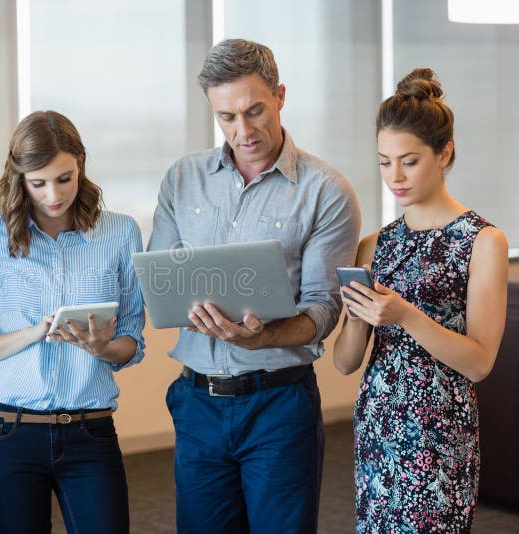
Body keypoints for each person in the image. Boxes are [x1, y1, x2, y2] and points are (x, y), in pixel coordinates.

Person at [148, 38, 361, 533]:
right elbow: (161, 280)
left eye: (254, 111)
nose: (242, 131)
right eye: (226, 117)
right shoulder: (182, 178)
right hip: (197, 402)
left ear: (281, 95)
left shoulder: (326, 191)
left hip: (279, 407)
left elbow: (323, 310)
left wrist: (263, 336)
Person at [0, 110, 145, 534]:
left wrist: (103, 349)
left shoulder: (121, 233)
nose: (54, 194)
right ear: (19, 178)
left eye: (65, 177)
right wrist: (34, 333)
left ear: (81, 164)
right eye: (38, 183)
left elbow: (133, 337)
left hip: (90, 432)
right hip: (9, 434)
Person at [334, 68, 508, 533]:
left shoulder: (482, 241)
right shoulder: (374, 245)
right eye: (384, 162)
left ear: (444, 152)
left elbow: (479, 363)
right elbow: (346, 362)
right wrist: (358, 315)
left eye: (408, 161)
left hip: (440, 432)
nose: (395, 176)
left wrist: (406, 315)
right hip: (378, 425)